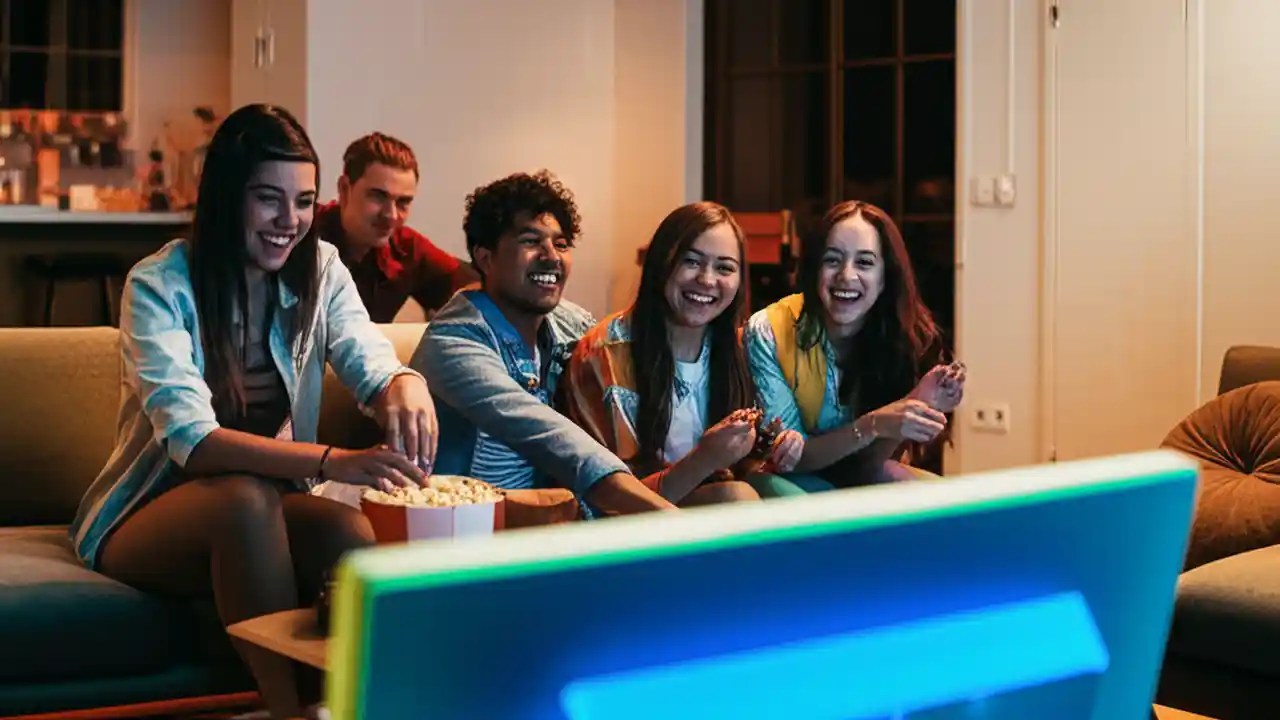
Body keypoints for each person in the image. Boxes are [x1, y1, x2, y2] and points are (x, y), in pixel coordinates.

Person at [70, 105, 439, 720]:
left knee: (346, 532)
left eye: (302, 201)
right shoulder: (159, 285)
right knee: (242, 497)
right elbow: (196, 442)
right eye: (268, 199)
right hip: (148, 514)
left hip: (266, 504)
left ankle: (367, 705)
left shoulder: (321, 270)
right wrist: (333, 460)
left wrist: (403, 383)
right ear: (225, 196)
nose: (288, 221)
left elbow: (367, 356)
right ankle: (288, 712)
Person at [410, 170, 676, 515]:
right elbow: (555, 440)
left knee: (727, 496)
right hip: (469, 527)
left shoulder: (572, 323)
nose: (551, 256)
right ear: (485, 258)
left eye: (561, 244)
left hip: (558, 519)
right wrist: (666, 517)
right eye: (531, 241)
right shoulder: (453, 342)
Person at [561, 202, 804, 506]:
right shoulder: (605, 357)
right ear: (661, 263)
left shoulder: (736, 348)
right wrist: (704, 458)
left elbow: (737, 468)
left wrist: (769, 446)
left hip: (698, 513)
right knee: (735, 498)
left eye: (725, 267)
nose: (707, 279)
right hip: (626, 526)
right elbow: (609, 502)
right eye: (691, 261)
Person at [743, 200, 965, 495]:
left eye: (864, 262)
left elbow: (868, 466)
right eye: (832, 260)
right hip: (781, 477)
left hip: (859, 472)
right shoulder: (768, 331)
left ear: (886, 277)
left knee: (943, 501)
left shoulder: (901, 335)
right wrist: (874, 424)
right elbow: (792, 460)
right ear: (814, 268)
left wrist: (918, 401)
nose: (846, 275)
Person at [314, 131, 478, 322]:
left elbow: (476, 286)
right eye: (378, 196)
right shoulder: (301, 232)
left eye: (403, 202)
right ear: (344, 189)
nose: (390, 215)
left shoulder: (407, 248)